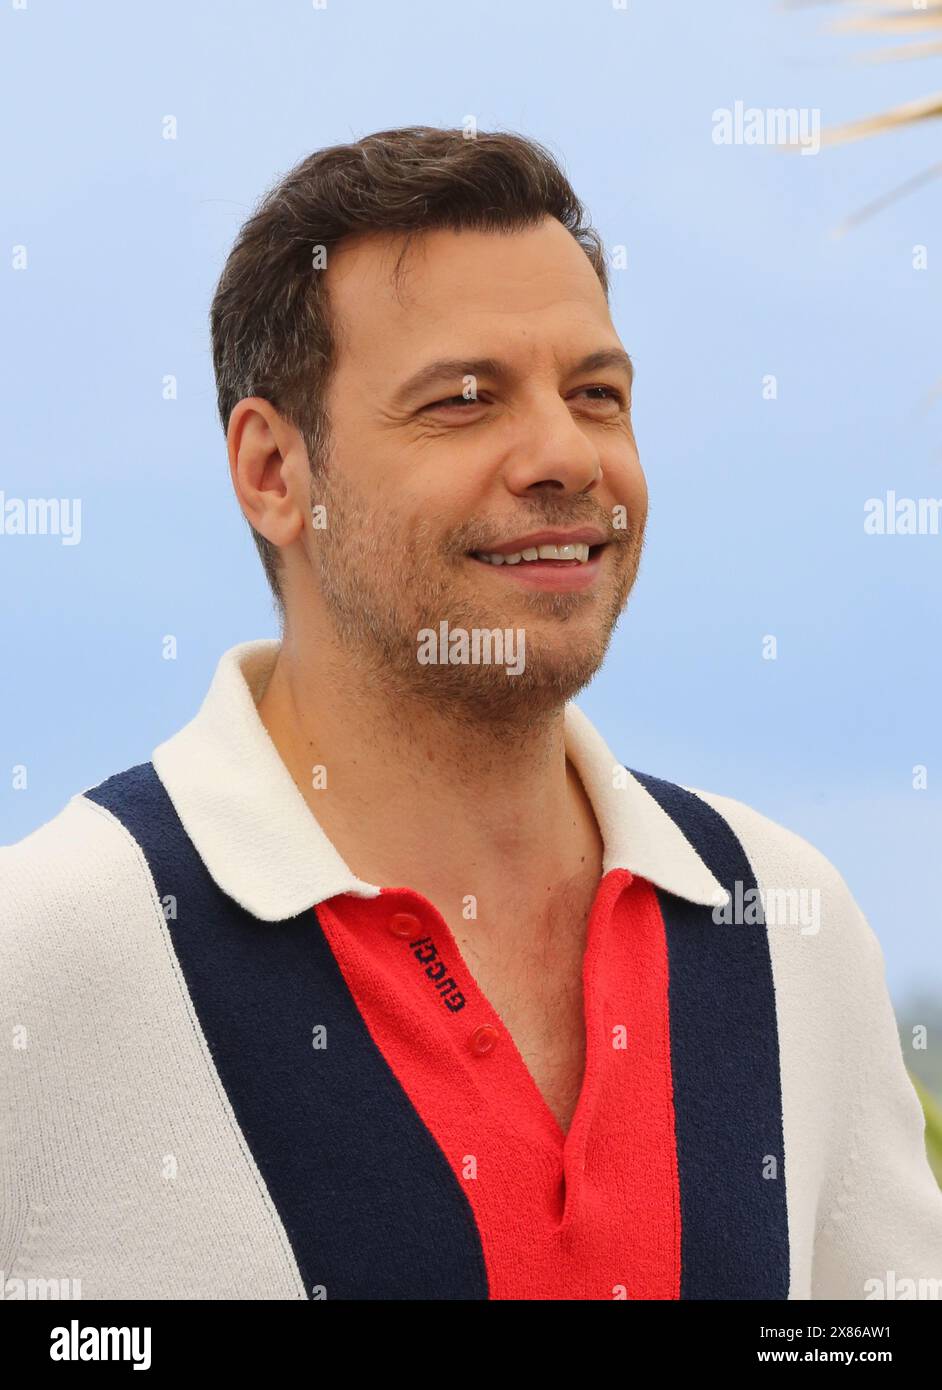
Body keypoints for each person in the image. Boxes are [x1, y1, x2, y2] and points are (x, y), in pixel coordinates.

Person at [2, 127, 940, 1302]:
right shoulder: (44, 952)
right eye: (463, 400)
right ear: (274, 472)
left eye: (597, 394)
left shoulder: (784, 922)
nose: (564, 453)